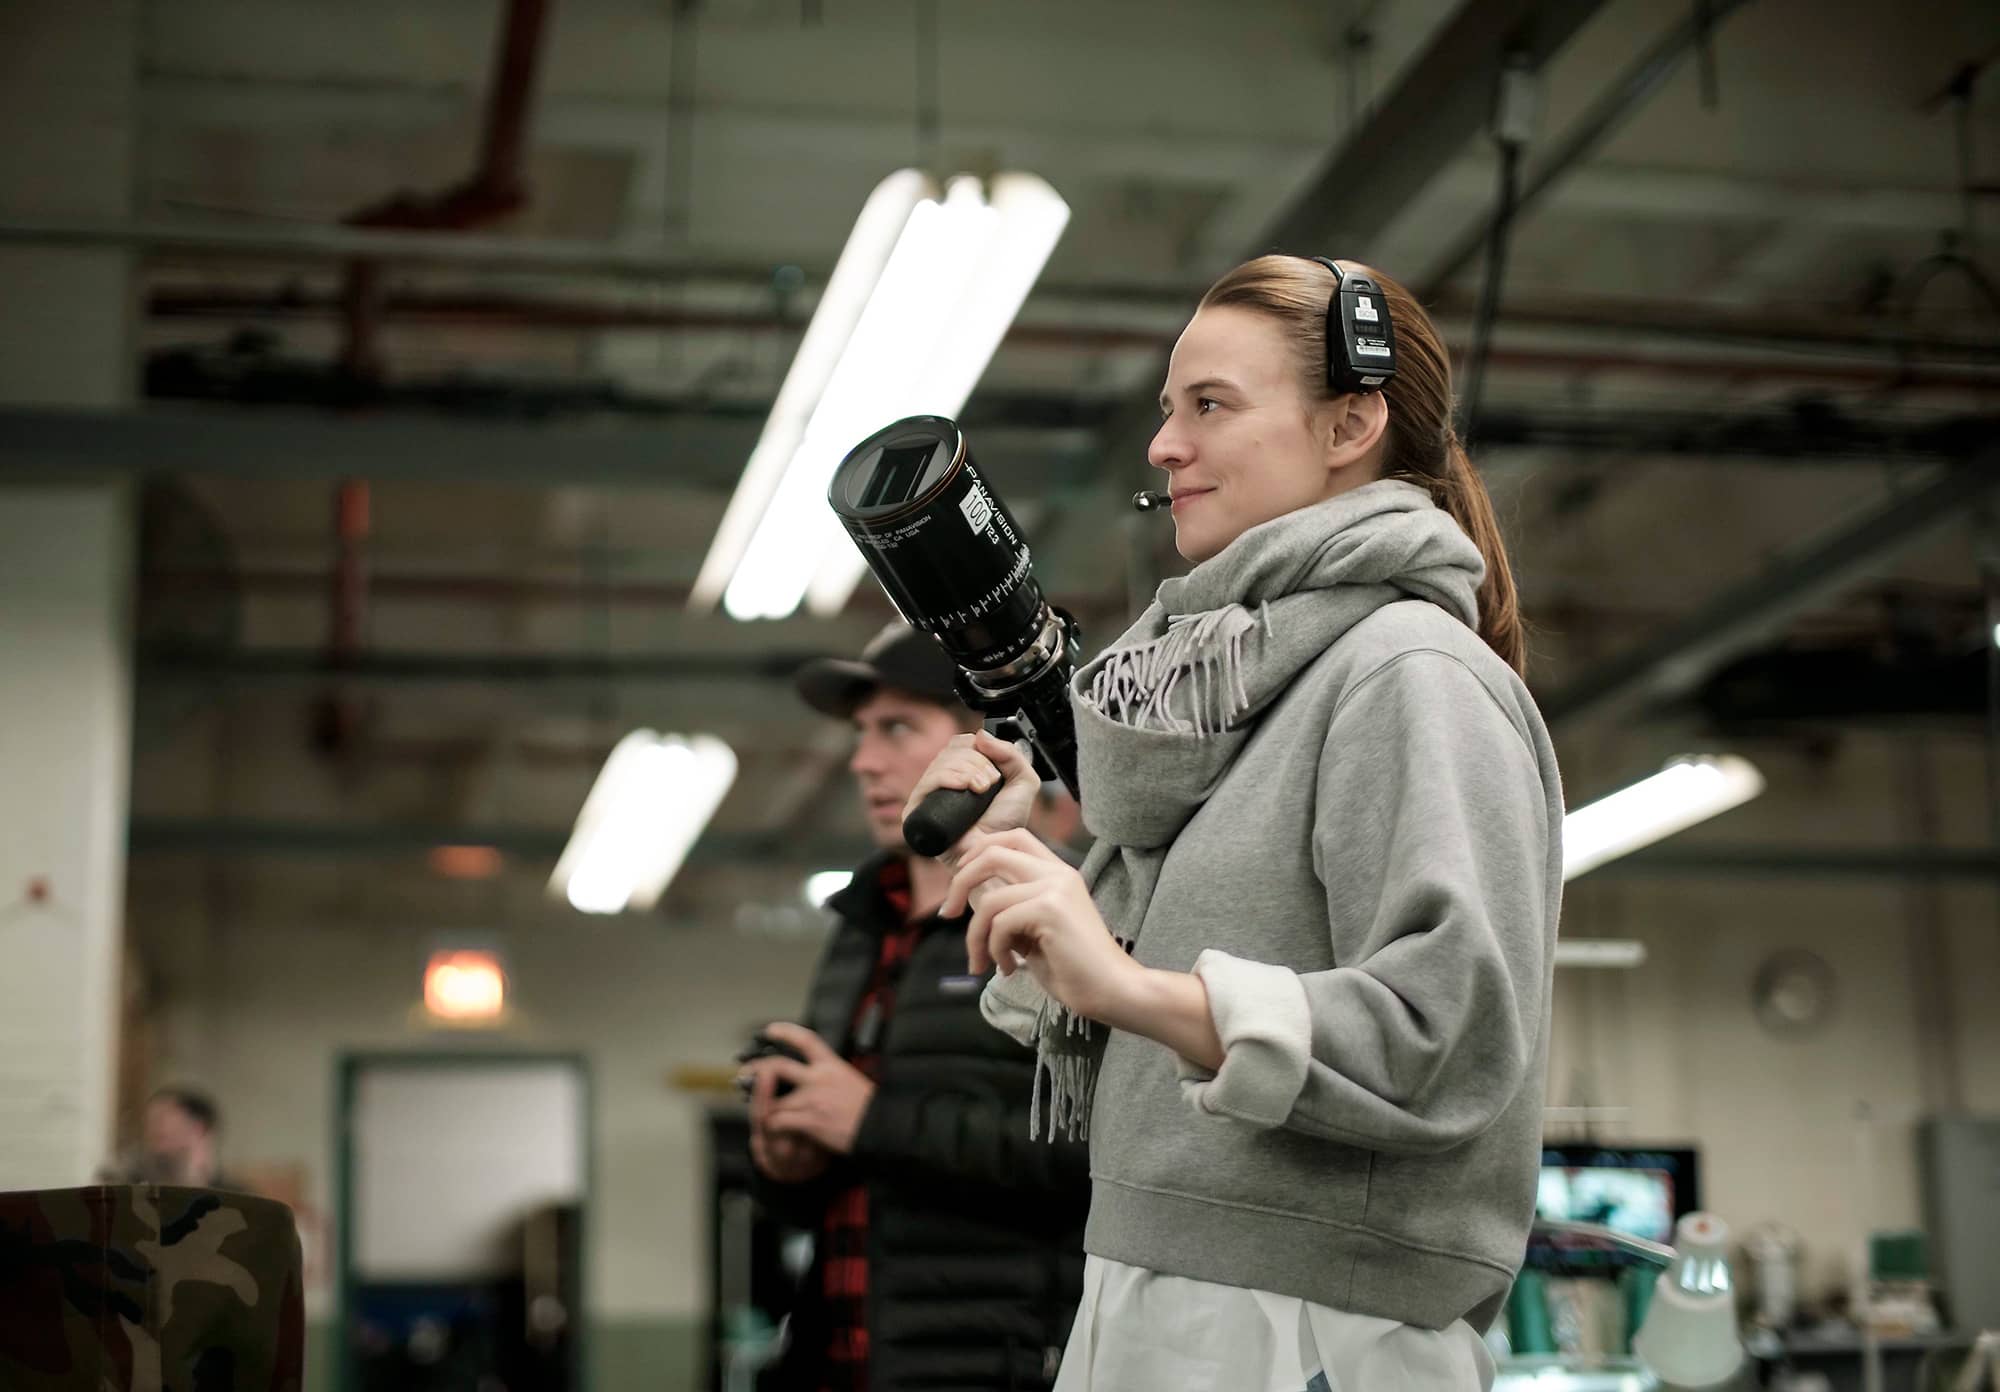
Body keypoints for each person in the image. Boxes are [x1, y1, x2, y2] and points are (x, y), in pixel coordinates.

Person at [911, 255, 1564, 1391]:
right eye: (1168, 411)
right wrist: (1045, 887)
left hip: (1313, 1330)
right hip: (1151, 1290)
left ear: (1349, 421)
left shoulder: (1407, 674)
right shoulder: (1230, 695)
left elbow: (1447, 1033)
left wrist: (1127, 989)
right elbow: (1165, 1031)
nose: (1163, 447)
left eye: (1208, 405)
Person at [739, 621, 1090, 1392]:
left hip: (991, 1362)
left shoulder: (1064, 910)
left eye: (898, 728)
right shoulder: (860, 925)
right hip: (846, 1361)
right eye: (863, 733)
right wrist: (789, 1167)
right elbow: (846, 1180)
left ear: (989, 740)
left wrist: (870, 1122)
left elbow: (1099, 1159)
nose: (864, 760)